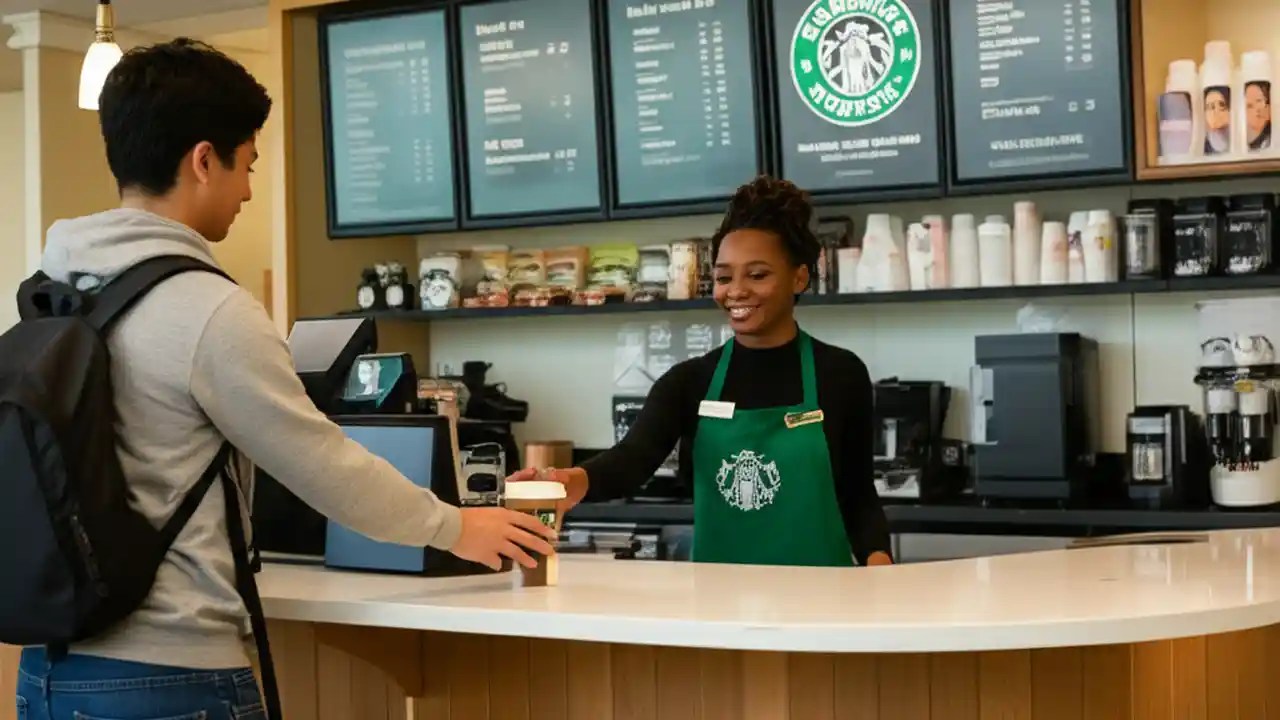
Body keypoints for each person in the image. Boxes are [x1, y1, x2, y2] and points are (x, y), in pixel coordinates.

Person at [14, 38, 554, 720]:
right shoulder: (208, 309)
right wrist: (456, 527)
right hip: (169, 676)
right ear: (204, 160)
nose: (246, 190)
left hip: (48, 675)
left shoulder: (57, 287)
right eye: (248, 165)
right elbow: (323, 466)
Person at [513, 175, 892, 568]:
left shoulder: (841, 373)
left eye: (758, 274)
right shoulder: (689, 382)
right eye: (724, 277)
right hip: (718, 604)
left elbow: (858, 493)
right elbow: (632, 460)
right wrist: (565, 482)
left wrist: (879, 565)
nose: (736, 290)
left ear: (799, 277)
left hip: (822, 598)